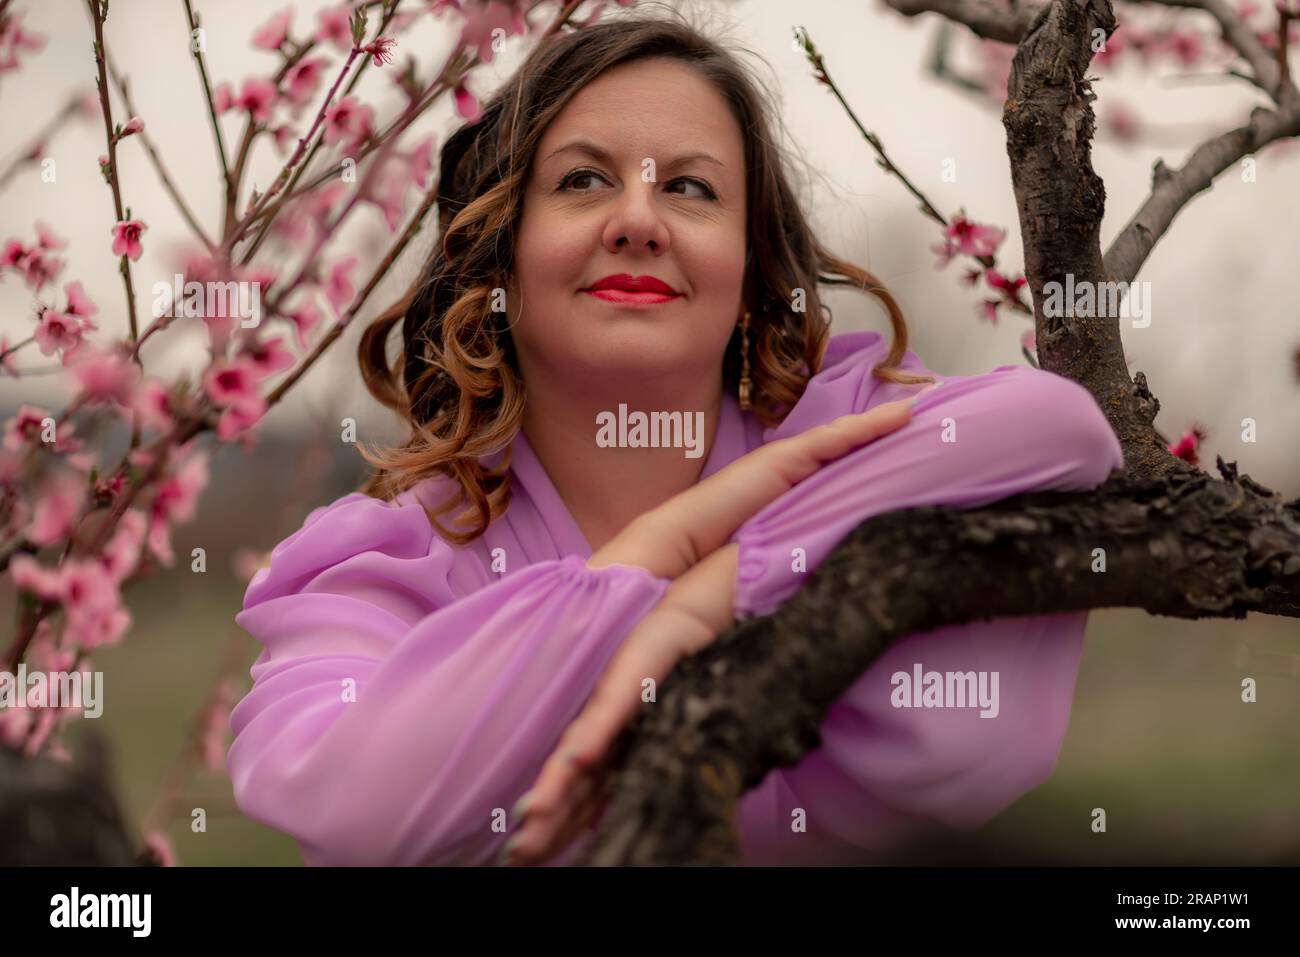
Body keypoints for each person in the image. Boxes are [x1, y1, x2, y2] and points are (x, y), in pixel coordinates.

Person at [226, 13, 1124, 867]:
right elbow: (352, 810)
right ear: (499, 249)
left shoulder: (840, 429)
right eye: (582, 180)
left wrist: (718, 587)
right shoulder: (398, 561)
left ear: (747, 264)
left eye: (689, 189)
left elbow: (1062, 427)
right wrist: (655, 558)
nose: (638, 220)